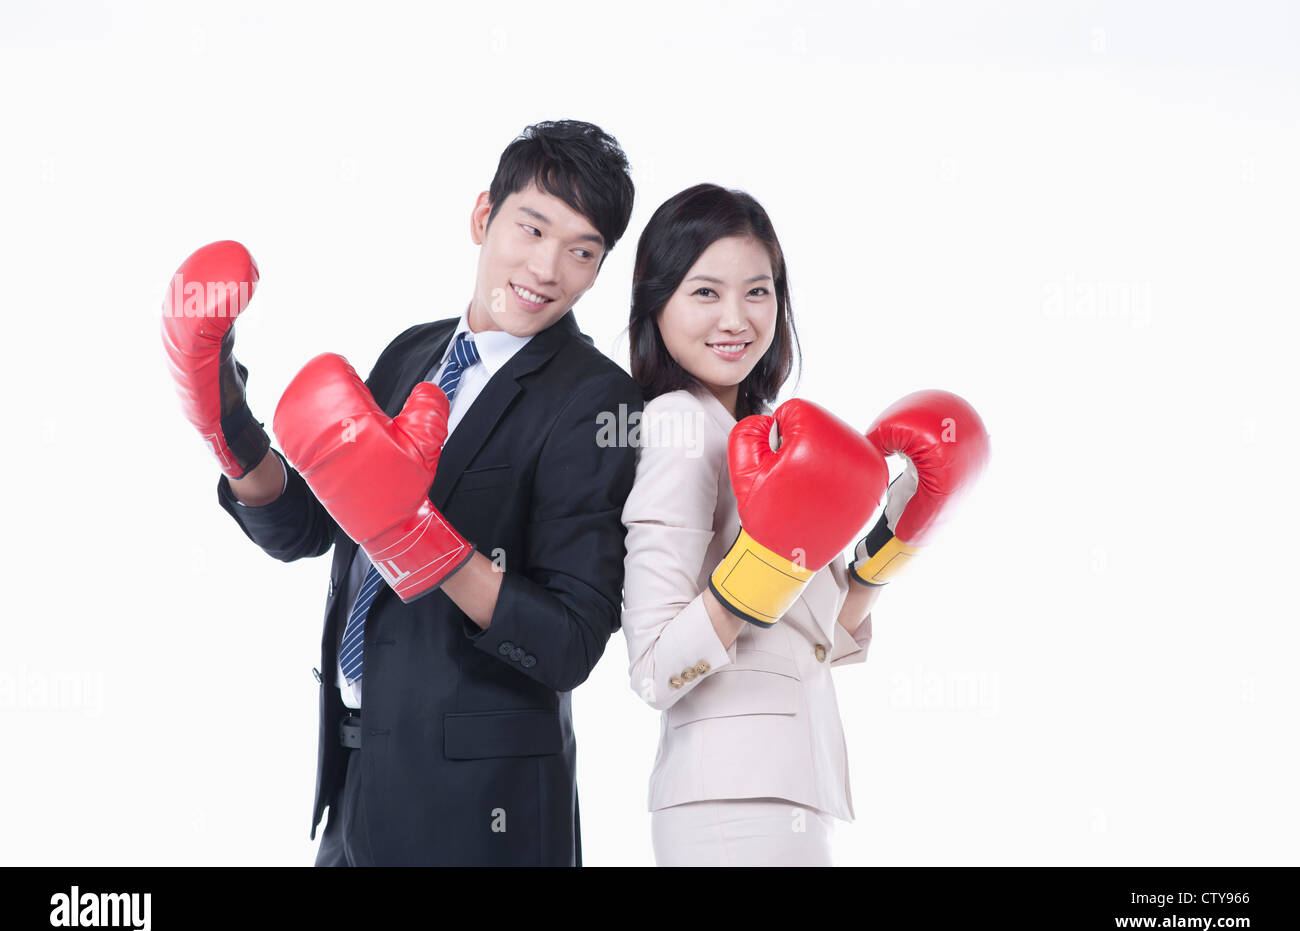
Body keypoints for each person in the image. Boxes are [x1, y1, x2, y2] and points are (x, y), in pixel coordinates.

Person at [162, 119, 640, 865]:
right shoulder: (412, 352)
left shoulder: (597, 402)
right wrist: (225, 421)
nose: (548, 268)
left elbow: (571, 642)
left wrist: (420, 540)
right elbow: (313, 532)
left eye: (582, 251)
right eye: (532, 228)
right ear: (484, 216)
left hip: (484, 810)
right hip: (354, 785)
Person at [619, 183, 887, 866]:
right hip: (730, 804)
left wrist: (891, 545)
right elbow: (653, 669)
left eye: (758, 291)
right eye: (705, 292)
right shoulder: (679, 424)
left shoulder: (762, 439)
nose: (736, 318)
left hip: (790, 786)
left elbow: (818, 641)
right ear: (658, 303)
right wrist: (757, 570)